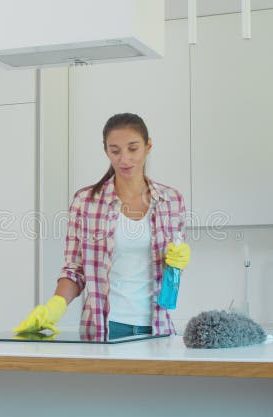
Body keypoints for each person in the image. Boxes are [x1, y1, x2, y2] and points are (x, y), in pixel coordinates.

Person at [14, 113, 191, 341]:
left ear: (148, 147)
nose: (124, 159)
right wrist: (54, 306)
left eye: (133, 149)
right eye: (115, 151)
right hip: (104, 328)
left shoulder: (172, 200)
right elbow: (75, 269)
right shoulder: (86, 201)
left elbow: (170, 272)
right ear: (106, 150)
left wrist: (177, 264)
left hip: (158, 328)